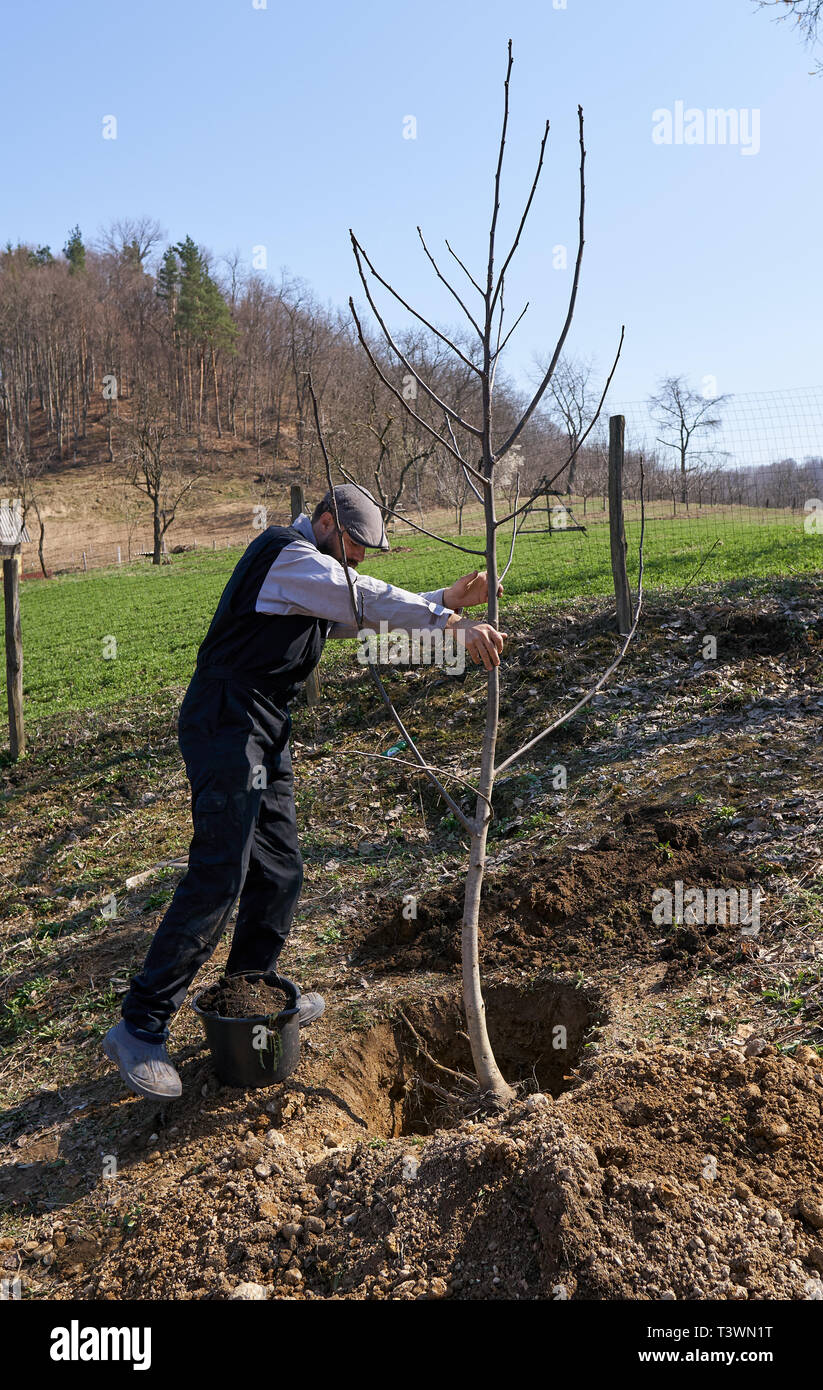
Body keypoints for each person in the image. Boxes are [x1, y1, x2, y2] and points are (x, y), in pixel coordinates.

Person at [102, 484, 506, 1099]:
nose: (362, 560)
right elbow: (360, 597)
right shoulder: (287, 557)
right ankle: (140, 1026)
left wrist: (443, 600)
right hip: (225, 722)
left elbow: (355, 613)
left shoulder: (316, 573)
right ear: (323, 523)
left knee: (281, 869)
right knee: (219, 873)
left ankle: (248, 995)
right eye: (355, 545)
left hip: (263, 729)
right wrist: (452, 622)